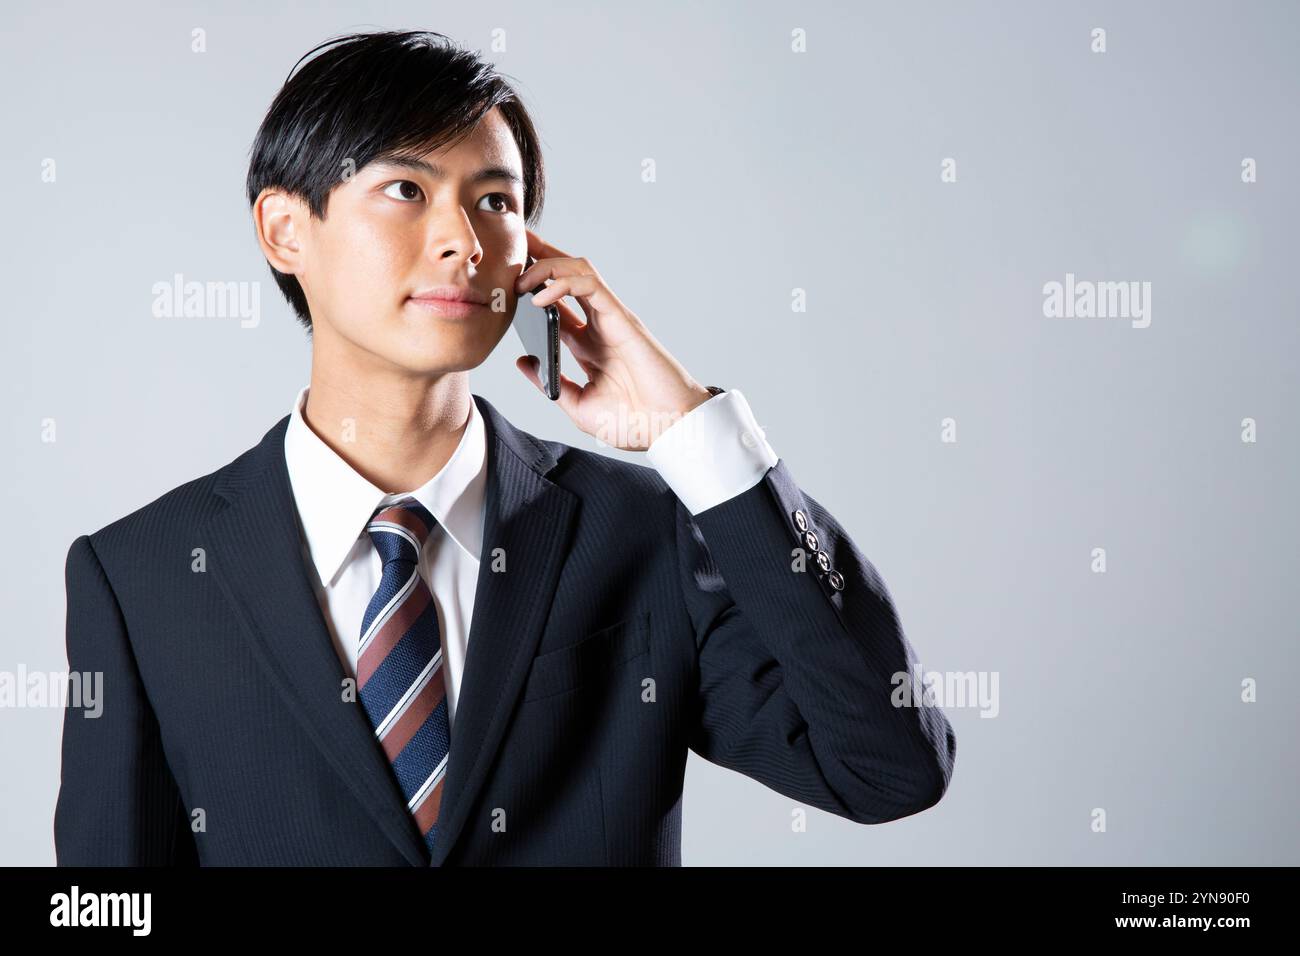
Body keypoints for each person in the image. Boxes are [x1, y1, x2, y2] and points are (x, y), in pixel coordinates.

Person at [54, 29, 955, 866]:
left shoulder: (644, 531)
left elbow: (887, 768)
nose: (463, 242)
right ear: (286, 230)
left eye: (495, 202)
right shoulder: (144, 575)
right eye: (405, 190)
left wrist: (688, 430)